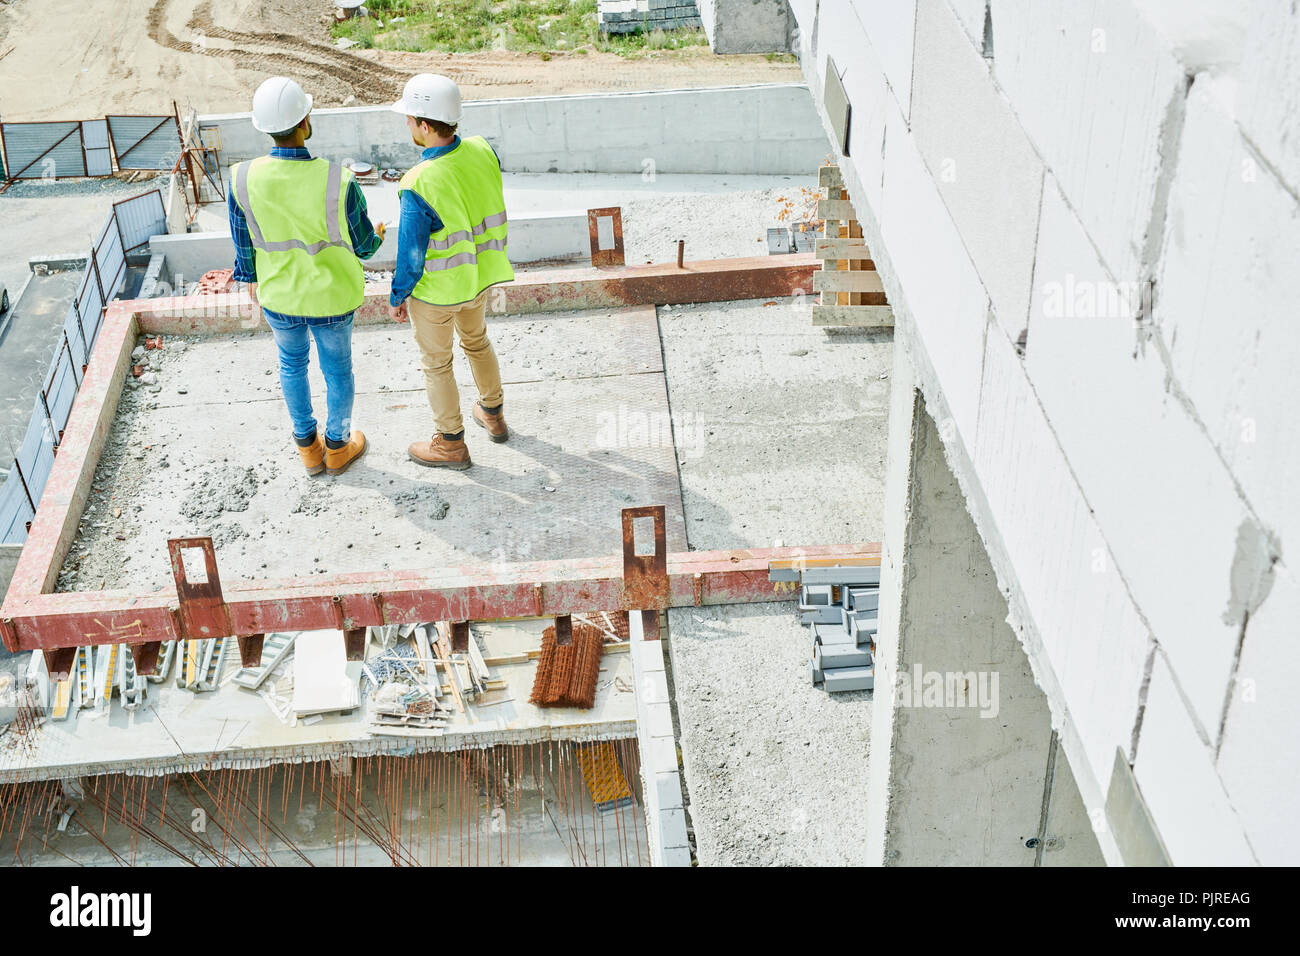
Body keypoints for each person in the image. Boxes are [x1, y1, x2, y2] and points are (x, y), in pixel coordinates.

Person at [228, 76, 385, 476]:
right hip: (332, 298)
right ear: (305, 122)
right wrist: (378, 236)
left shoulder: (242, 178)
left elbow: (244, 247)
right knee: (338, 372)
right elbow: (364, 246)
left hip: (279, 297)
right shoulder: (338, 179)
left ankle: (308, 451)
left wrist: (251, 283)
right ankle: (337, 447)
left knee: (291, 366)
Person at [387, 74, 514, 470]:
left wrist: (396, 296)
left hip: (437, 293)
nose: (407, 125)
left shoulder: (418, 182)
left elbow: (410, 256)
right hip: (478, 279)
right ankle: (492, 414)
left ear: (425, 125)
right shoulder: (482, 150)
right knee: (476, 342)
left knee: (437, 365)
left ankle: (451, 443)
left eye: (409, 119)